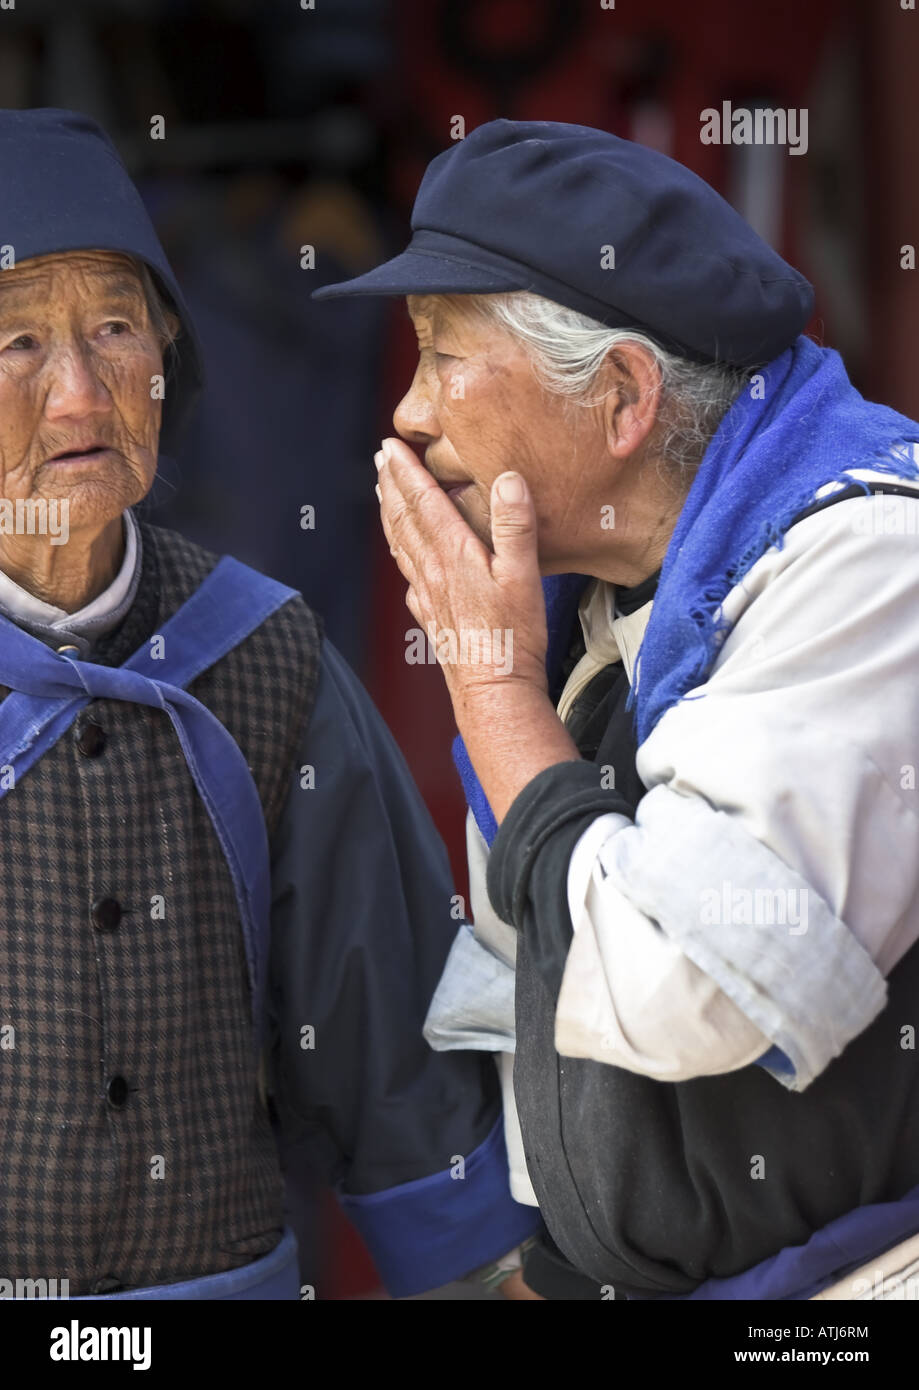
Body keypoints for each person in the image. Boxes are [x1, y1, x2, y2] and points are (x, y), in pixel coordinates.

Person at [314, 118, 919, 1300]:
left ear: (625, 397)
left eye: (443, 360)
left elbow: (690, 986)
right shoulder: (593, 610)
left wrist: (491, 686)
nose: (407, 415)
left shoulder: (869, 567)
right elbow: (533, 972)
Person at [0, 107, 539, 1302]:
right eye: (18, 345)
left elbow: (389, 1043)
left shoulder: (261, 654)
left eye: (115, 328)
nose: (82, 396)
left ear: (170, 357)